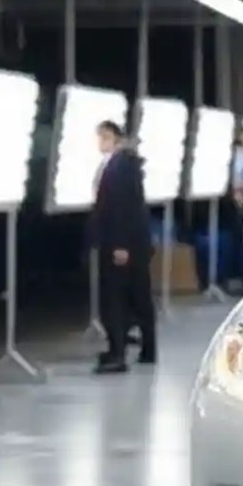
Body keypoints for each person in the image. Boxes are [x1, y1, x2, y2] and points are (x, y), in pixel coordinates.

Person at [90, 120, 156, 374]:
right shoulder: (127, 164)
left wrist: (119, 244)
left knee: (117, 299)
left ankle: (117, 354)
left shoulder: (120, 167)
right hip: (132, 243)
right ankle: (146, 349)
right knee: (138, 297)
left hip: (122, 244)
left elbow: (121, 209)